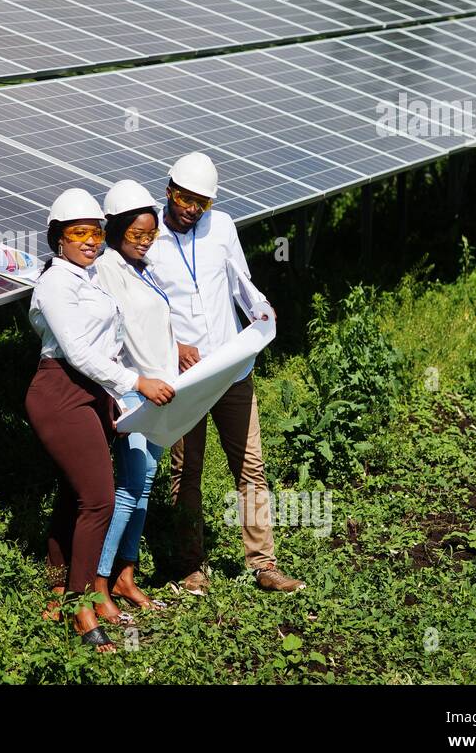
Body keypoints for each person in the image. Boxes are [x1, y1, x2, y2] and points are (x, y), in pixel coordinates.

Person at [147, 153, 306, 595]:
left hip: (232, 368)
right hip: (186, 379)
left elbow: (241, 283)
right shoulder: (148, 237)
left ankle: (264, 564)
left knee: (250, 467)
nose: (192, 208)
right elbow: (141, 308)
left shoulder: (223, 228)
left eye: (202, 202)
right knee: (187, 470)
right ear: (169, 190)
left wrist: (259, 308)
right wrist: (173, 347)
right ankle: (191, 566)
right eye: (184, 198)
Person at [25, 188, 175, 652]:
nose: (90, 240)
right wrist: (136, 381)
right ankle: (81, 603)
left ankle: (56, 588)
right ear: (59, 238)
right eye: (78, 232)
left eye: (96, 232)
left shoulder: (88, 279)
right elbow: (78, 352)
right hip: (60, 391)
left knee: (75, 494)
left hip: (92, 394)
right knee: (101, 498)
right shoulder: (57, 283)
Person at [91, 180, 176, 624]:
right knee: (128, 486)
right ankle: (98, 585)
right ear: (116, 230)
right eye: (137, 235)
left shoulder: (142, 267)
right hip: (132, 392)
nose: (145, 243)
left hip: (164, 392)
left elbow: (152, 322)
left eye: (151, 235)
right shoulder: (105, 266)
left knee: (145, 483)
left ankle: (126, 575)